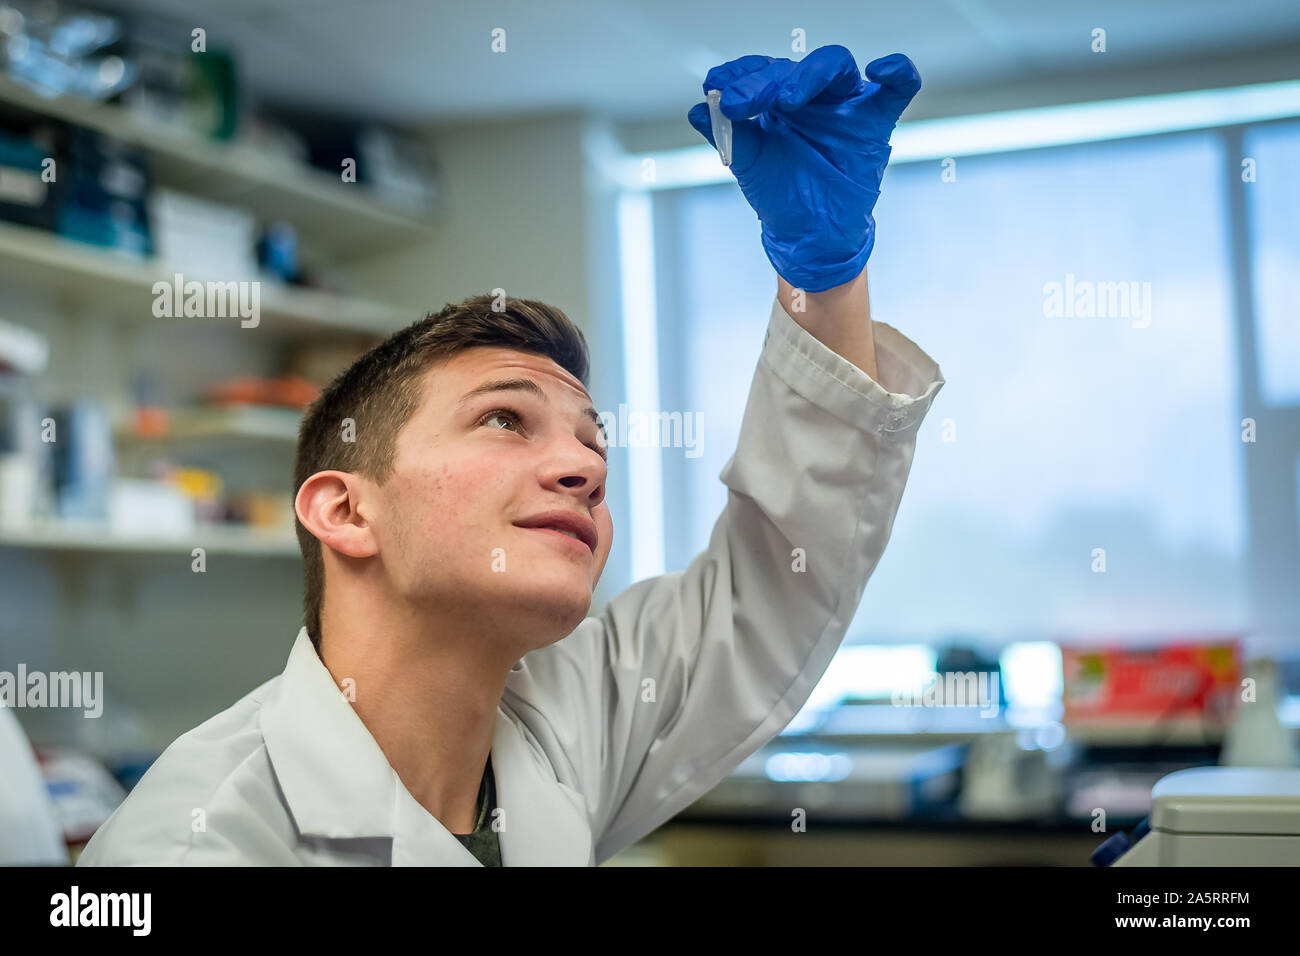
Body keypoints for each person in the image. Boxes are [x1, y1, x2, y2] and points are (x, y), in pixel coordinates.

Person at [78, 45, 945, 866]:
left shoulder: (556, 723)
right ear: (345, 510)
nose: (587, 468)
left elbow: (774, 582)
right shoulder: (196, 846)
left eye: (592, 442)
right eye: (504, 419)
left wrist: (823, 275)